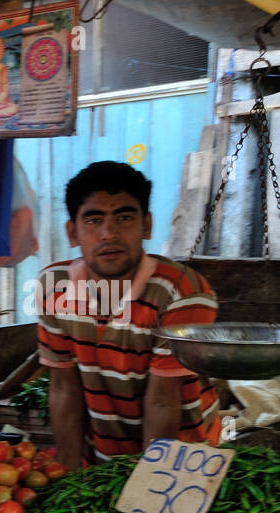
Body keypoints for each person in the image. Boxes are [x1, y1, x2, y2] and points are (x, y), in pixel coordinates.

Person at [37, 161, 221, 471]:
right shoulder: (53, 286)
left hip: (184, 459)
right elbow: (62, 389)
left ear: (146, 226)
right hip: (103, 459)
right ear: (72, 232)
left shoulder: (182, 291)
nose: (109, 234)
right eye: (94, 220)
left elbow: (162, 402)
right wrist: (70, 480)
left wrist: (148, 492)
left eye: (124, 217)